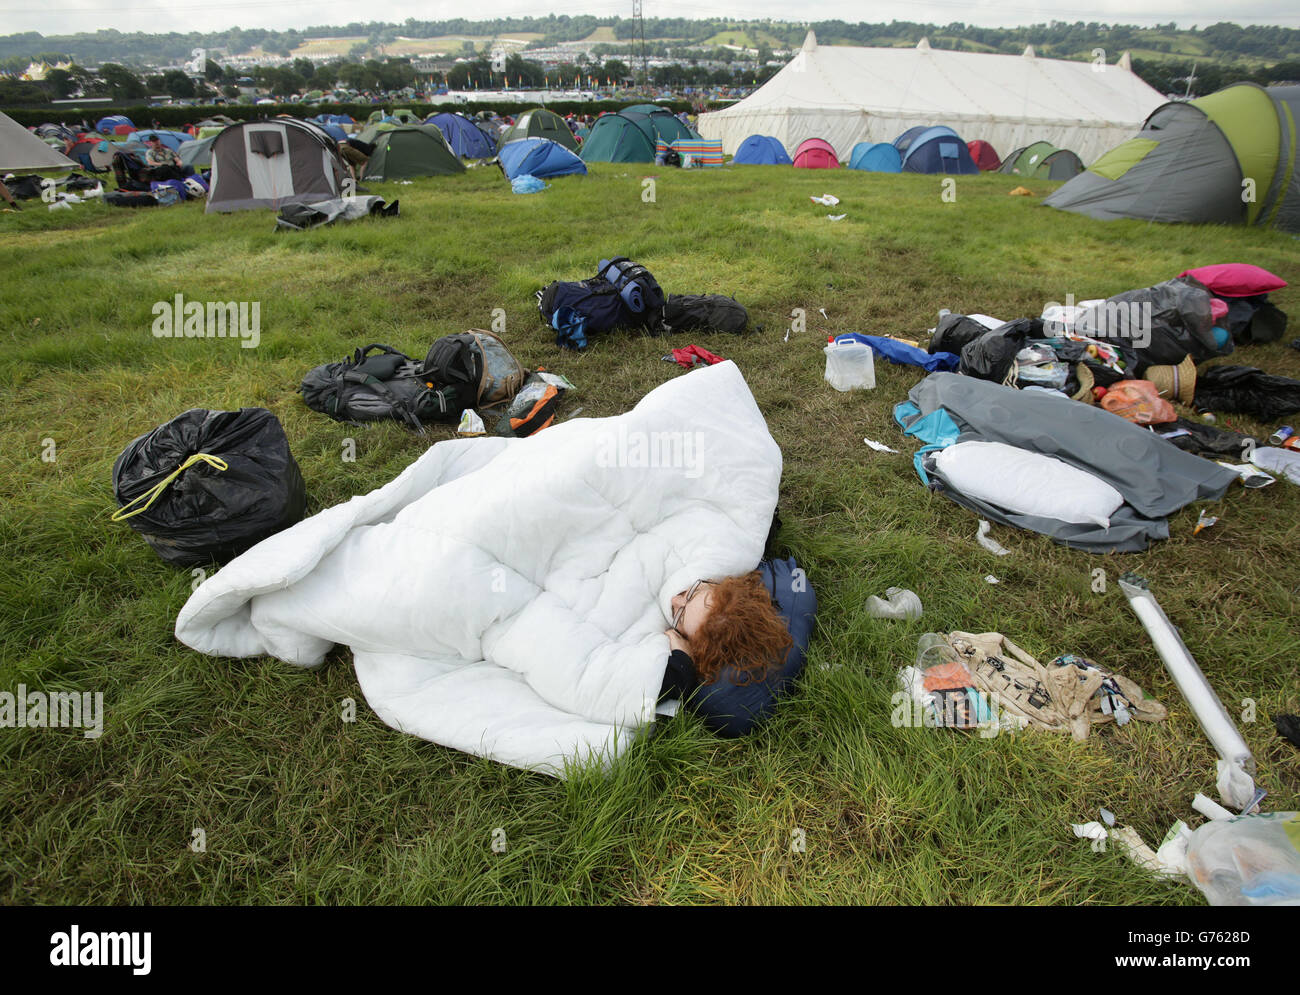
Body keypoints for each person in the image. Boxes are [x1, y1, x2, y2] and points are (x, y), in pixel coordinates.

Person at [660, 559, 813, 736]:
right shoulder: (794, 592)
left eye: (680, 615)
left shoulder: (720, 701)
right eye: (692, 593)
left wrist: (682, 660)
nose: (675, 600)